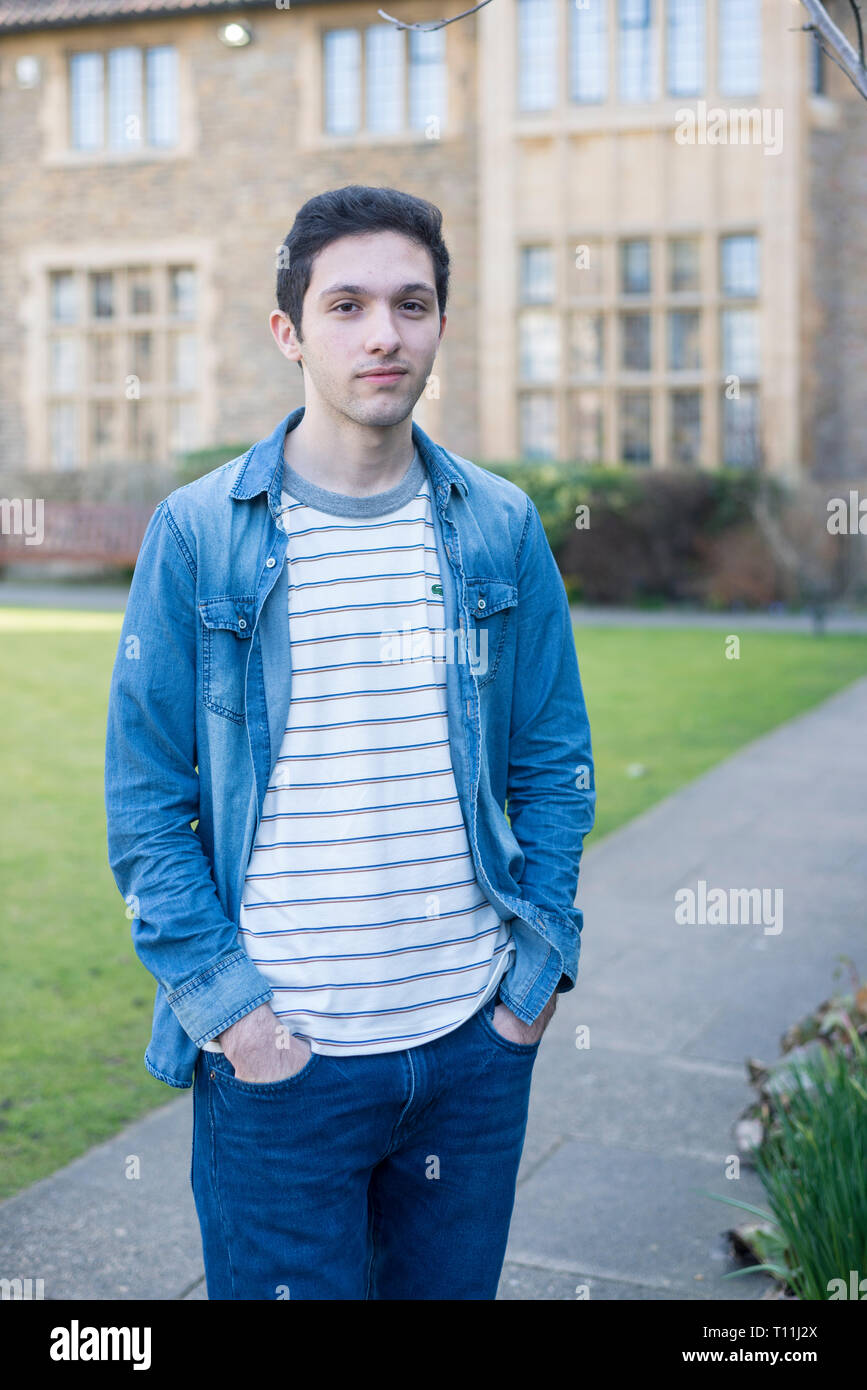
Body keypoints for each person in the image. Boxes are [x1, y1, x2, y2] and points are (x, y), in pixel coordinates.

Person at [104, 184, 595, 1300]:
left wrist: (533, 979)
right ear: (290, 332)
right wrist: (238, 1018)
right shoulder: (197, 537)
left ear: (438, 326)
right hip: (284, 1072)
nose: (384, 332)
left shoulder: (501, 529)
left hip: (474, 1052)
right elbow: (145, 810)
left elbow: (553, 766)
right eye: (348, 305)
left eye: (411, 304)